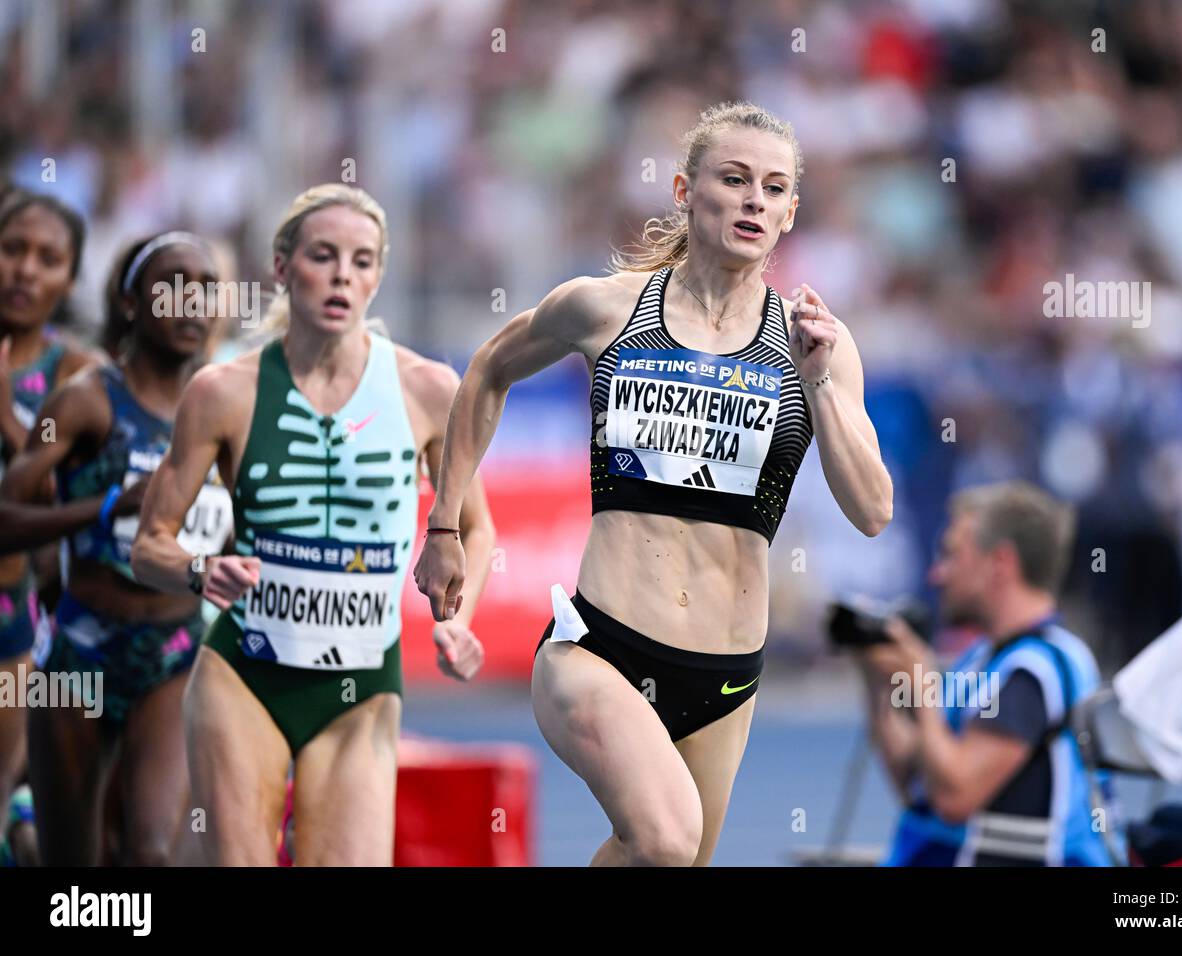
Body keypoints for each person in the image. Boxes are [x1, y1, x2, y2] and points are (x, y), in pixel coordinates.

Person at [415, 101, 893, 866]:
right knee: (668, 840)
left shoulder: (816, 346)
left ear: (791, 214)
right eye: (733, 180)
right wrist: (446, 526)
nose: (752, 201)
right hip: (599, 648)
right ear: (682, 189)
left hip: (726, 676)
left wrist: (822, 386)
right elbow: (487, 371)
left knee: (660, 857)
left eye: (772, 190)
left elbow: (872, 509)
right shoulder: (606, 309)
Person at [131, 183, 496, 866]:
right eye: (323, 256)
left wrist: (458, 619)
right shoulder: (221, 391)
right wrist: (198, 569)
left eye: (361, 262)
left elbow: (475, 529)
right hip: (245, 674)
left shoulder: (427, 391)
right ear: (281, 267)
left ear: (379, 278)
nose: (341, 276)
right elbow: (149, 544)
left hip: (360, 684)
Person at [0, 230, 233, 865]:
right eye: (171, 286)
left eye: (206, 289)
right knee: (75, 869)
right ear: (131, 304)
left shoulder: (226, 407)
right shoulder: (87, 401)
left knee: (152, 853)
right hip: (81, 653)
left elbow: (248, 524)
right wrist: (105, 506)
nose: (190, 302)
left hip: (175, 652)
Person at [862, 480, 1112, 866]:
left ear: (1000, 563)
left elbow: (954, 798)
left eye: (951, 555)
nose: (937, 575)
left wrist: (923, 683)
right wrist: (876, 679)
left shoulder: (1036, 671)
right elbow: (917, 785)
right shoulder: (983, 658)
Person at [0, 192, 98, 821]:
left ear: (68, 278)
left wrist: (5, 420)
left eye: (48, 258)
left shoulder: (77, 373)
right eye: (12, 250)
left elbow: (68, 496)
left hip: (12, 622)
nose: (26, 270)